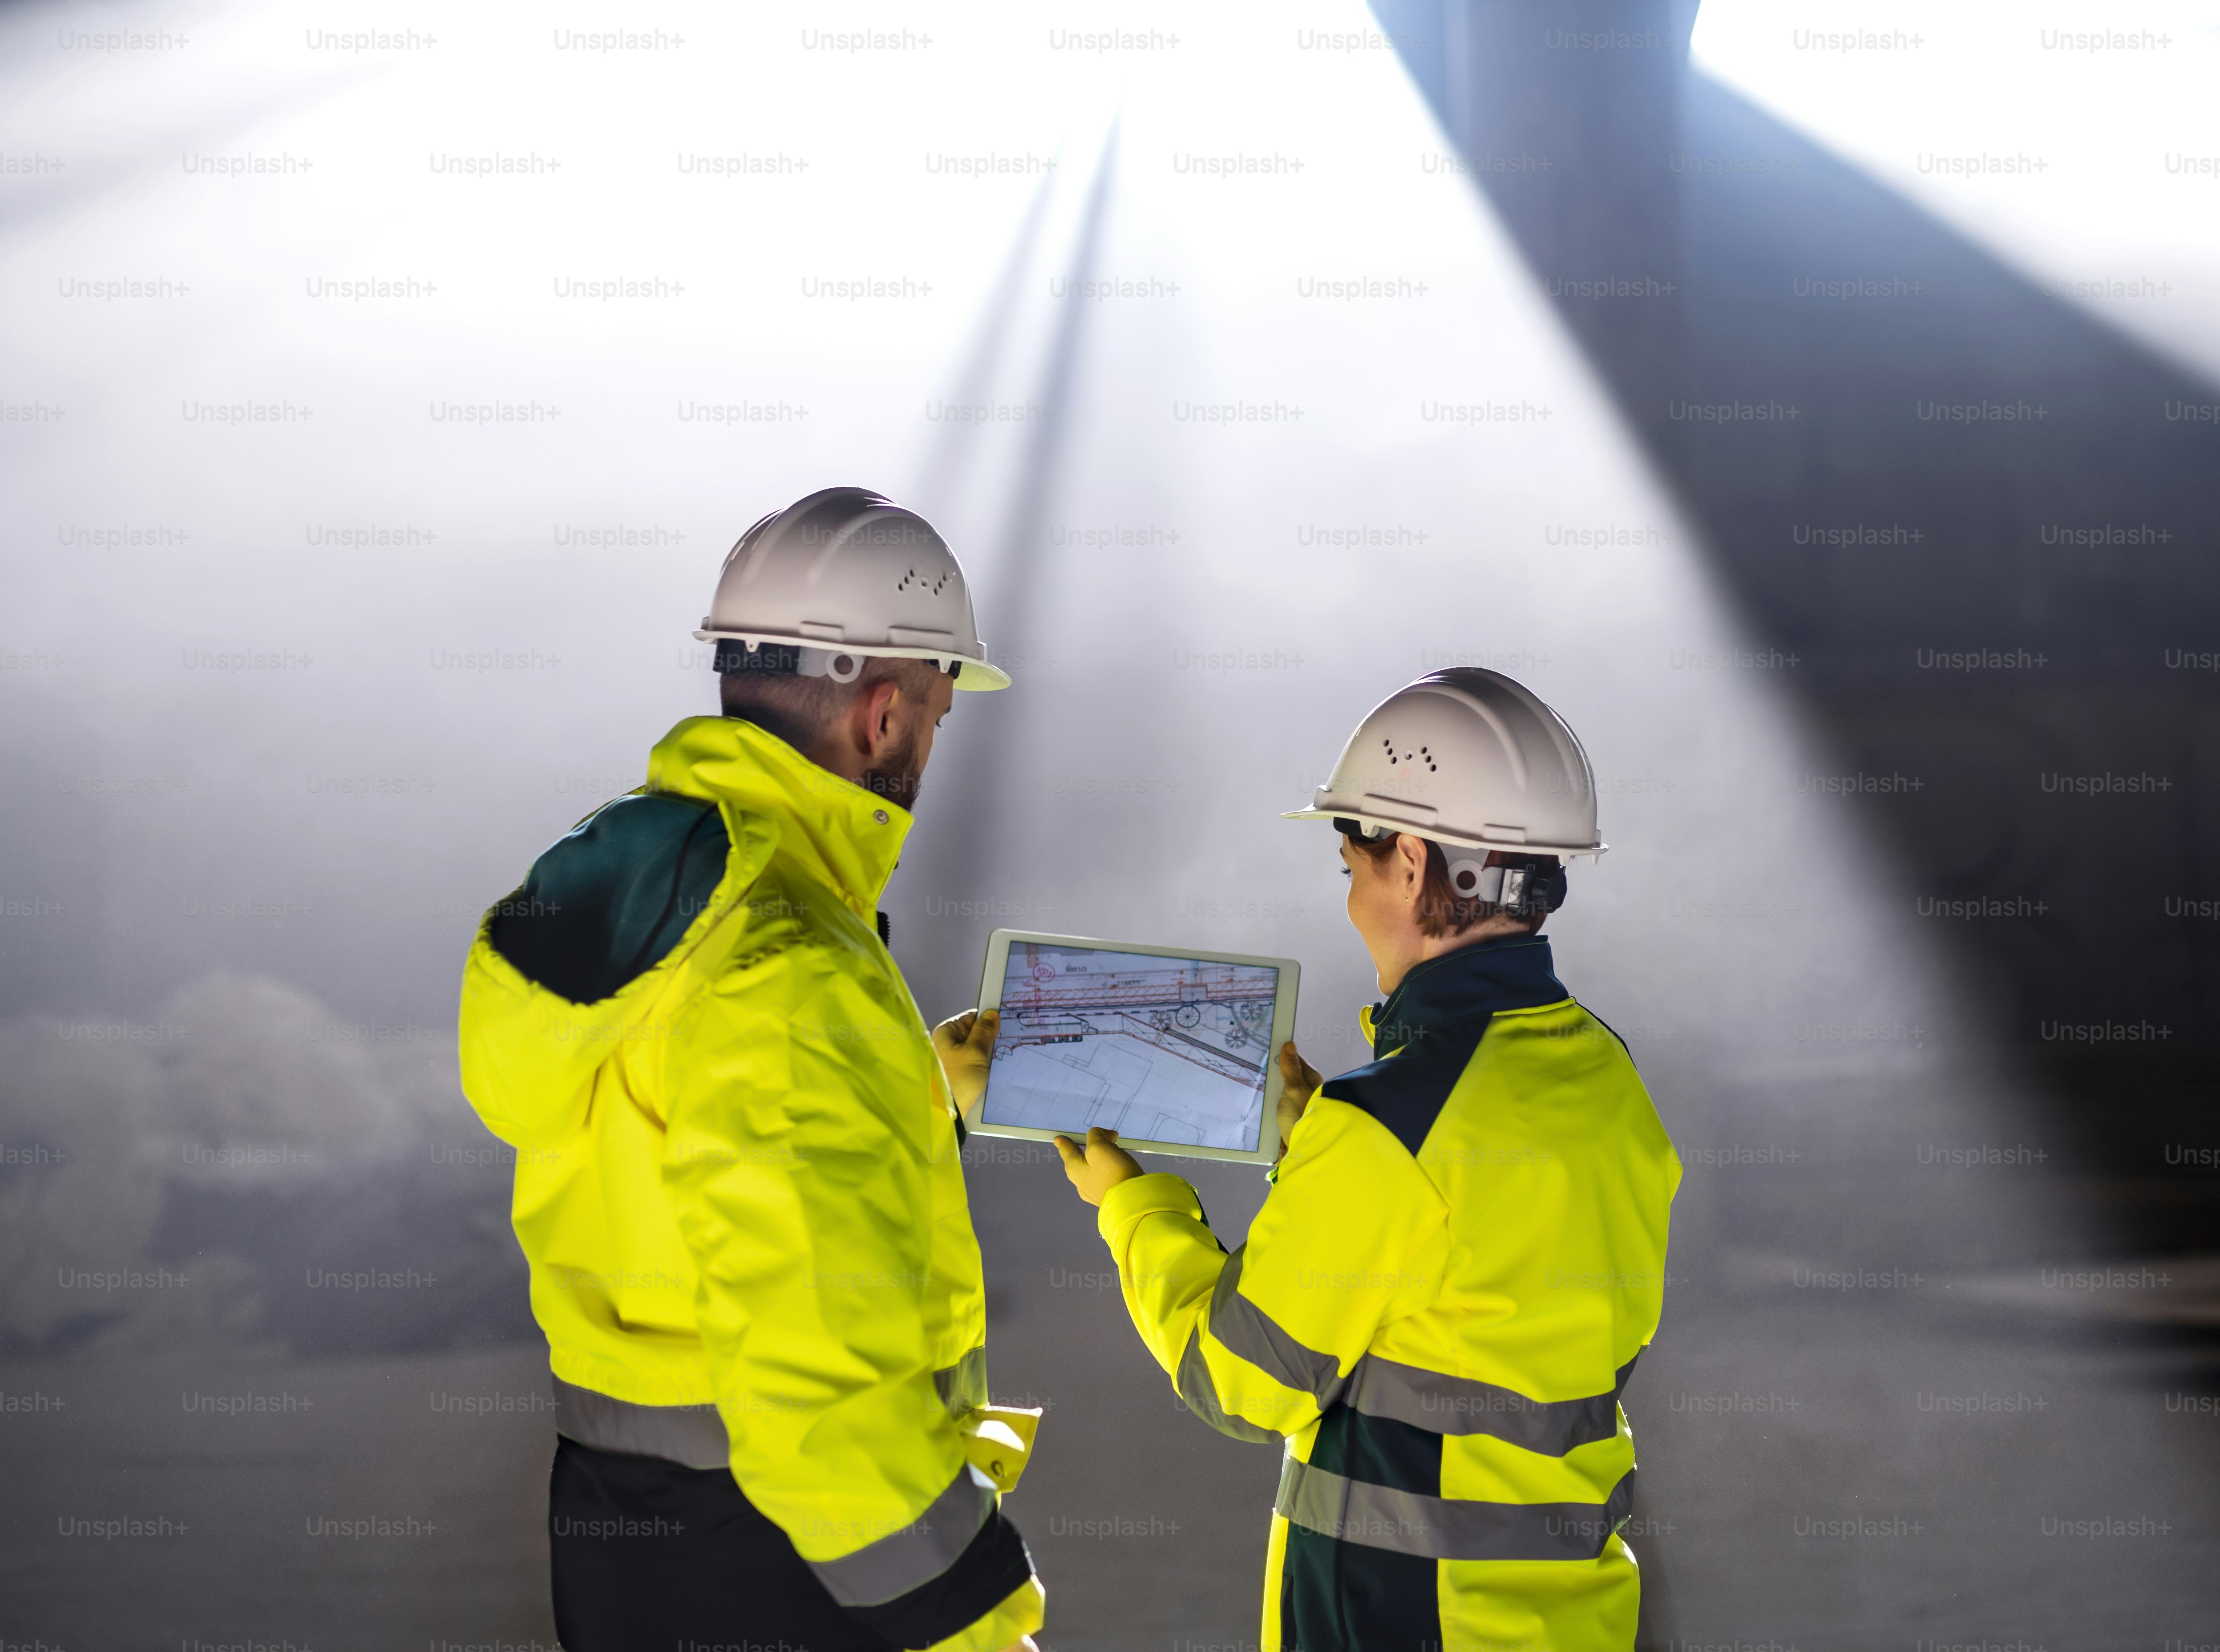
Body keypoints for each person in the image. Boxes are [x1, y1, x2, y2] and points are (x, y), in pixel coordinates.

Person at [459, 488, 1042, 1652]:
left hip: (625, 1527)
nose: (931, 742)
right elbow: (820, 1386)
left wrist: (912, 1093)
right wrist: (978, 1629)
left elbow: (680, 1133)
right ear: (883, 715)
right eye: (937, 709)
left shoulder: (659, 888)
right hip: (787, 1559)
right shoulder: (791, 966)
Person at [1055, 666, 1682, 1651]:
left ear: (1412, 861)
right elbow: (1498, 1295)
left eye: (1352, 866)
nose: (1351, 899)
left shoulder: (1388, 1122)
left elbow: (1239, 1378)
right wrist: (1328, 1142)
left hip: (1404, 1620)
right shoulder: (1605, 1071)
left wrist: (1134, 1204)